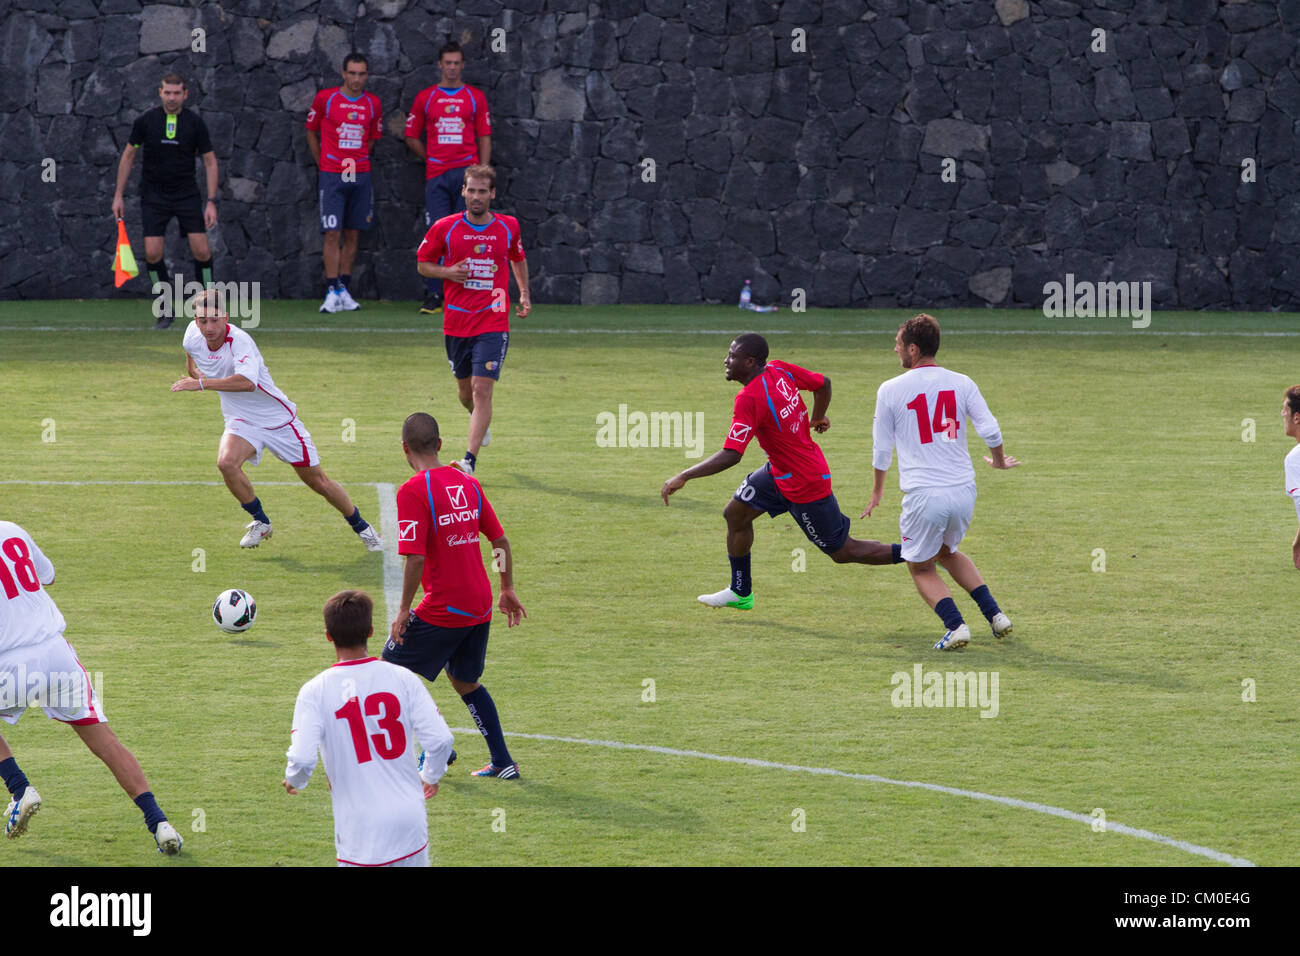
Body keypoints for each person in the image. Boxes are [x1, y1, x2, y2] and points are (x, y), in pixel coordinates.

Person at [661, 333, 903, 609]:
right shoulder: (779, 369)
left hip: (805, 483)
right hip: (779, 472)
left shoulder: (748, 398)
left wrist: (684, 475)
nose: (725, 361)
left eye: (732, 356)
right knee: (735, 514)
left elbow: (731, 455)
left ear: (750, 362)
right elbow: (823, 383)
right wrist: (818, 416)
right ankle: (740, 592)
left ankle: (919, 553)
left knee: (843, 551)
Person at [0, 520, 182, 854]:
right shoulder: (12, 529)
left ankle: (19, 788)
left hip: (10, 662)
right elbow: (48, 576)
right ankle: (160, 824)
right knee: (106, 742)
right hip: (57, 653)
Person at [170, 288, 383, 552]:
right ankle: (261, 521)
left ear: (225, 317)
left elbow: (247, 383)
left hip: (278, 421)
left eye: (215, 319)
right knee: (226, 463)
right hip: (241, 419)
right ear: (195, 319)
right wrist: (194, 373)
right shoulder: (192, 335)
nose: (209, 326)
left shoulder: (240, 341)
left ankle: (362, 527)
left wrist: (201, 384)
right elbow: (191, 354)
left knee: (318, 482)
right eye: (203, 320)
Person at [863, 313, 1018, 651]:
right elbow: (990, 429)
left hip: (925, 495)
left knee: (919, 567)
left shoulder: (890, 389)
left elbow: (881, 450)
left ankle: (956, 626)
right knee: (949, 551)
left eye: (898, 345)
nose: (895, 350)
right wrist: (1001, 461)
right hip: (964, 490)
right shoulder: (962, 382)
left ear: (913, 349)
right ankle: (996, 616)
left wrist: (877, 491)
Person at [384, 412, 526, 779]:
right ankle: (502, 762)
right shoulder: (466, 482)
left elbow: (414, 557)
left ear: (404, 449)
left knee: (388, 672)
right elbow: (500, 540)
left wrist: (402, 611)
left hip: (446, 607)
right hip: (479, 603)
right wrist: (506, 587)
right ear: (440, 444)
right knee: (465, 681)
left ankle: (438, 747)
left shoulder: (413, 491)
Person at [283, 589, 455, 867]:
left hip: (360, 832)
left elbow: (302, 758)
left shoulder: (314, 691)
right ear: (372, 631)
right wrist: (430, 775)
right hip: (409, 823)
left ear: (328, 635)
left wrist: (295, 779)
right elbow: (440, 741)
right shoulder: (403, 678)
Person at [416, 164, 530, 476]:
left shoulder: (508, 227)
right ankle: (476, 418)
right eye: (472, 190)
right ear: (463, 192)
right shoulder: (445, 227)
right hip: (457, 324)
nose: (477, 196)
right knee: (466, 394)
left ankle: (468, 460)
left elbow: (518, 258)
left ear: (492, 194)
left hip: (493, 321)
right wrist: (448, 272)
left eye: (483, 191)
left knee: (482, 390)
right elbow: (423, 264)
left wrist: (524, 293)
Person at [111, 72, 218, 331]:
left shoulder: (195, 123)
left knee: (202, 251)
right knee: (152, 253)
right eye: (167, 93)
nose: (172, 97)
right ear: (160, 93)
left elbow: (210, 161)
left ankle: (209, 307)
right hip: (154, 196)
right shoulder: (146, 121)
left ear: (185, 94)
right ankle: (165, 306)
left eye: (176, 93)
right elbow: (128, 156)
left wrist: (212, 201)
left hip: (186, 194)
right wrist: (118, 195)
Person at [404, 42, 492, 315]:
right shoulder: (426, 97)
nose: (452, 67)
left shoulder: (475, 96)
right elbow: (410, 135)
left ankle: (465, 295)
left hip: (467, 176)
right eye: (448, 63)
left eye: (456, 63)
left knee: (466, 233)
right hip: (437, 175)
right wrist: (430, 158)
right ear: (440, 65)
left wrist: (483, 172)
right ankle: (434, 295)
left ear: (462, 65)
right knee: (438, 233)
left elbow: (484, 136)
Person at [305, 53, 382, 314]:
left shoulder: (372, 103)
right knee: (332, 232)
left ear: (367, 75)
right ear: (343, 73)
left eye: (362, 74)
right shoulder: (326, 99)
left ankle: (343, 288)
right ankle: (330, 289)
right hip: (333, 173)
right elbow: (311, 131)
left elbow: (371, 139)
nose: (357, 79)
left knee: (353, 232)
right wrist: (323, 163)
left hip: (359, 173)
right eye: (352, 73)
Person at [1281, 386, 1300, 569]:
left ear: (1297, 417)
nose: (1282, 414)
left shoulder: (1295, 459)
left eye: (1285, 409)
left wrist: (1297, 544)